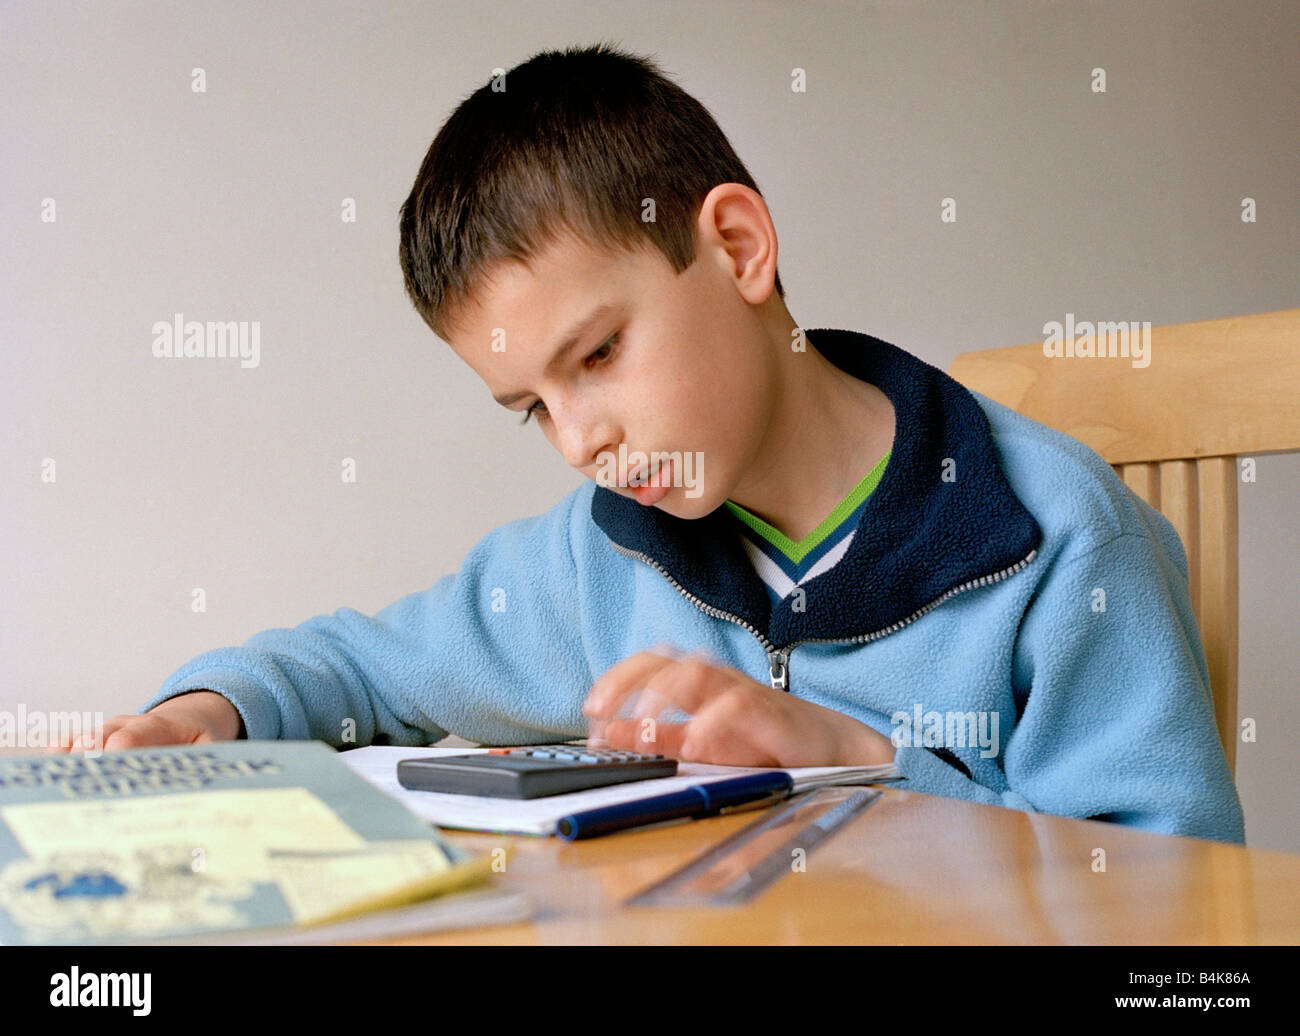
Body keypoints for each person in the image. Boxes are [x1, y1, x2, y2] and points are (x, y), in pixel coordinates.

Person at [50, 42, 1244, 845]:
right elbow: (364, 672)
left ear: (734, 249)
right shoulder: (597, 561)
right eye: (533, 406)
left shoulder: (1055, 542)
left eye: (598, 356)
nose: (580, 439)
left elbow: (1172, 909)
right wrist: (207, 711)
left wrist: (853, 763)